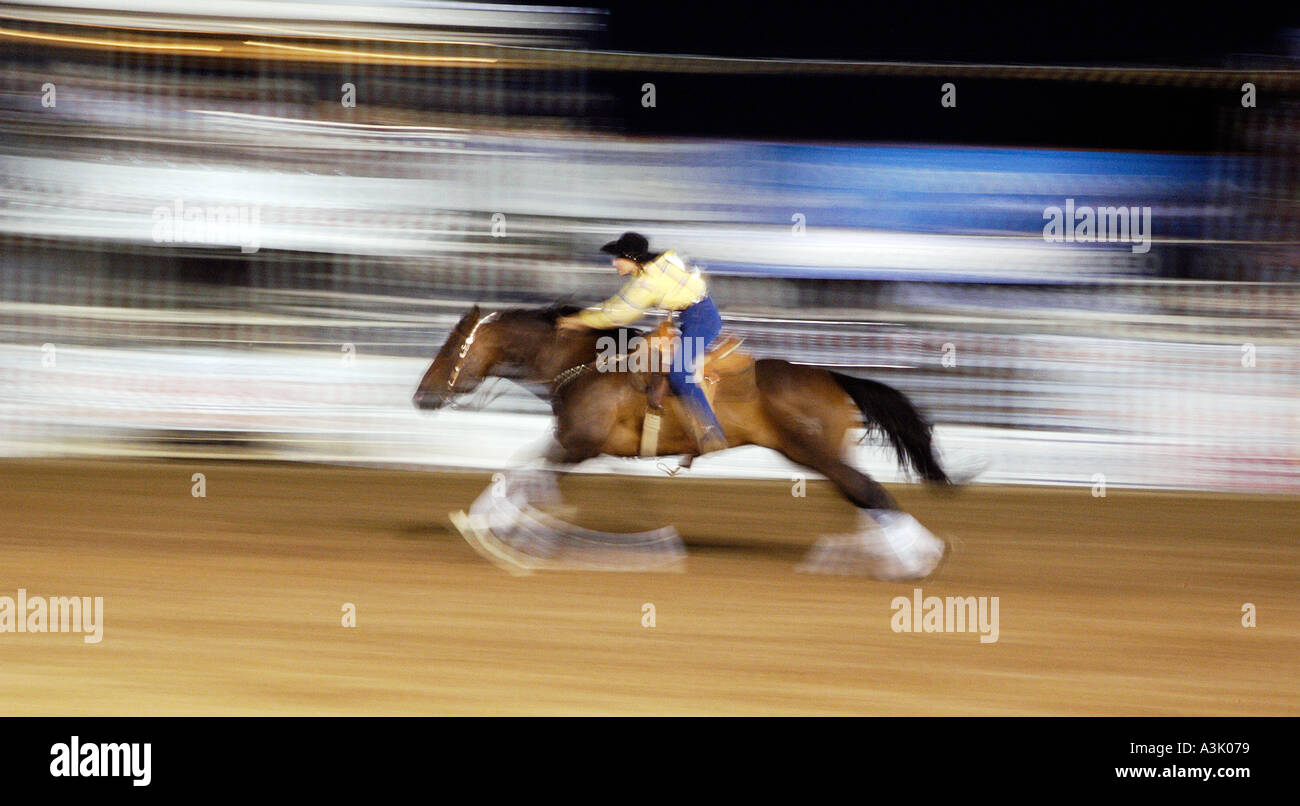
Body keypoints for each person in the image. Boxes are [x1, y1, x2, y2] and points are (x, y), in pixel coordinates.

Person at [558, 232, 728, 454]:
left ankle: (712, 431)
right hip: (695, 316)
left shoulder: (647, 283)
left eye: (618, 257)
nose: (614, 262)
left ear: (631, 257)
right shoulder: (659, 265)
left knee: (678, 371)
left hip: (700, 319)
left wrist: (580, 321)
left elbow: (618, 313)